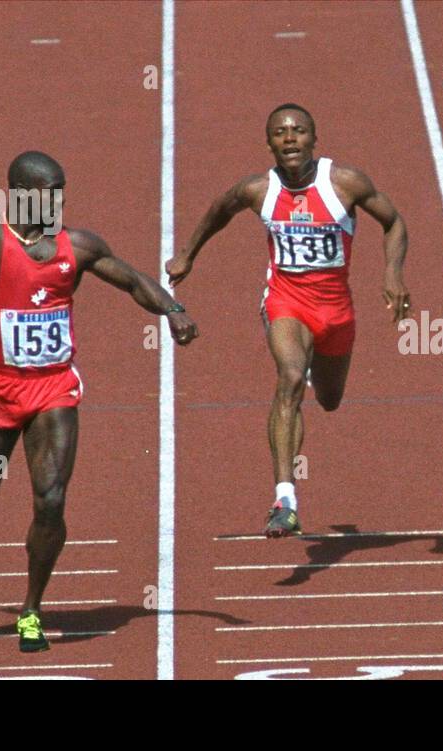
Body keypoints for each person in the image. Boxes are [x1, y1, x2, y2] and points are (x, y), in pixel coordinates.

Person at [0, 46, 199, 652]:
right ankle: (0, 461)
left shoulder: (77, 245)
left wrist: (173, 311)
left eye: (62, 192)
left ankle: (32, 609)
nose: (57, 202)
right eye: (48, 193)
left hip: (54, 389)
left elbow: (133, 279)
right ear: (19, 195)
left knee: (50, 498)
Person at [167, 103, 410, 538]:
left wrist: (392, 273)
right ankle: (285, 500)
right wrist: (188, 253)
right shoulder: (258, 190)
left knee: (330, 400)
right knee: (290, 377)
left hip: (336, 310)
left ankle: (312, 372)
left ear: (315, 139)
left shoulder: (344, 182)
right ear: (269, 143)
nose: (290, 138)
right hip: (286, 301)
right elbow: (219, 209)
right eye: (280, 132)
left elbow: (394, 223)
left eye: (299, 131)